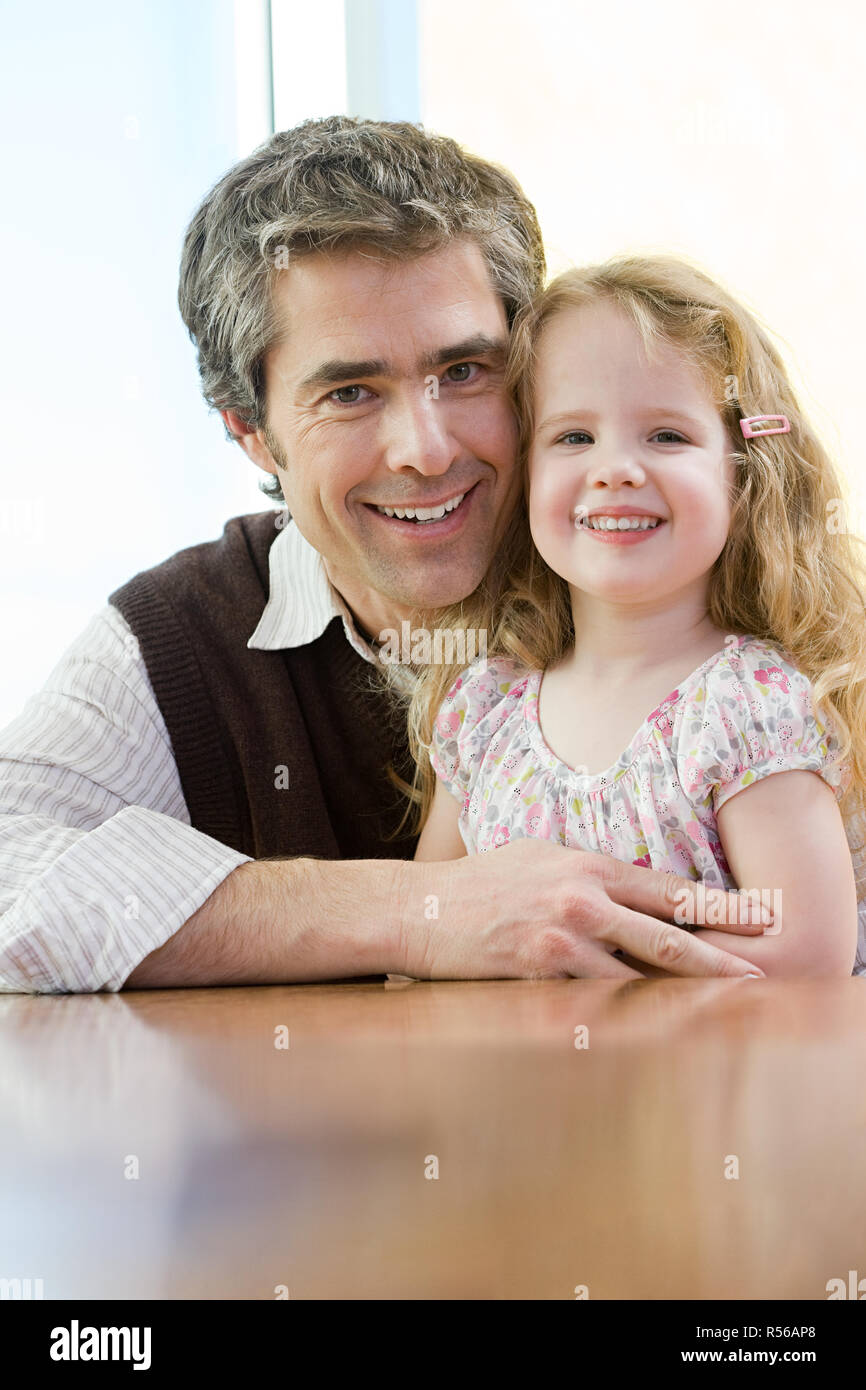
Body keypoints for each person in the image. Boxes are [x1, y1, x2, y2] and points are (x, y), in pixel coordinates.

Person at [0, 120, 771, 993]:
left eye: (465, 372)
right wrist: (418, 912)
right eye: (351, 392)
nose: (426, 449)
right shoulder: (177, 635)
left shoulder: (720, 586)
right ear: (252, 432)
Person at [401, 254, 866, 977]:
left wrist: (589, 968)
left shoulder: (745, 708)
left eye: (667, 436)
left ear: (743, 478)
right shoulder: (486, 711)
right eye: (573, 437)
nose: (615, 467)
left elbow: (806, 953)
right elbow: (419, 932)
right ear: (526, 475)